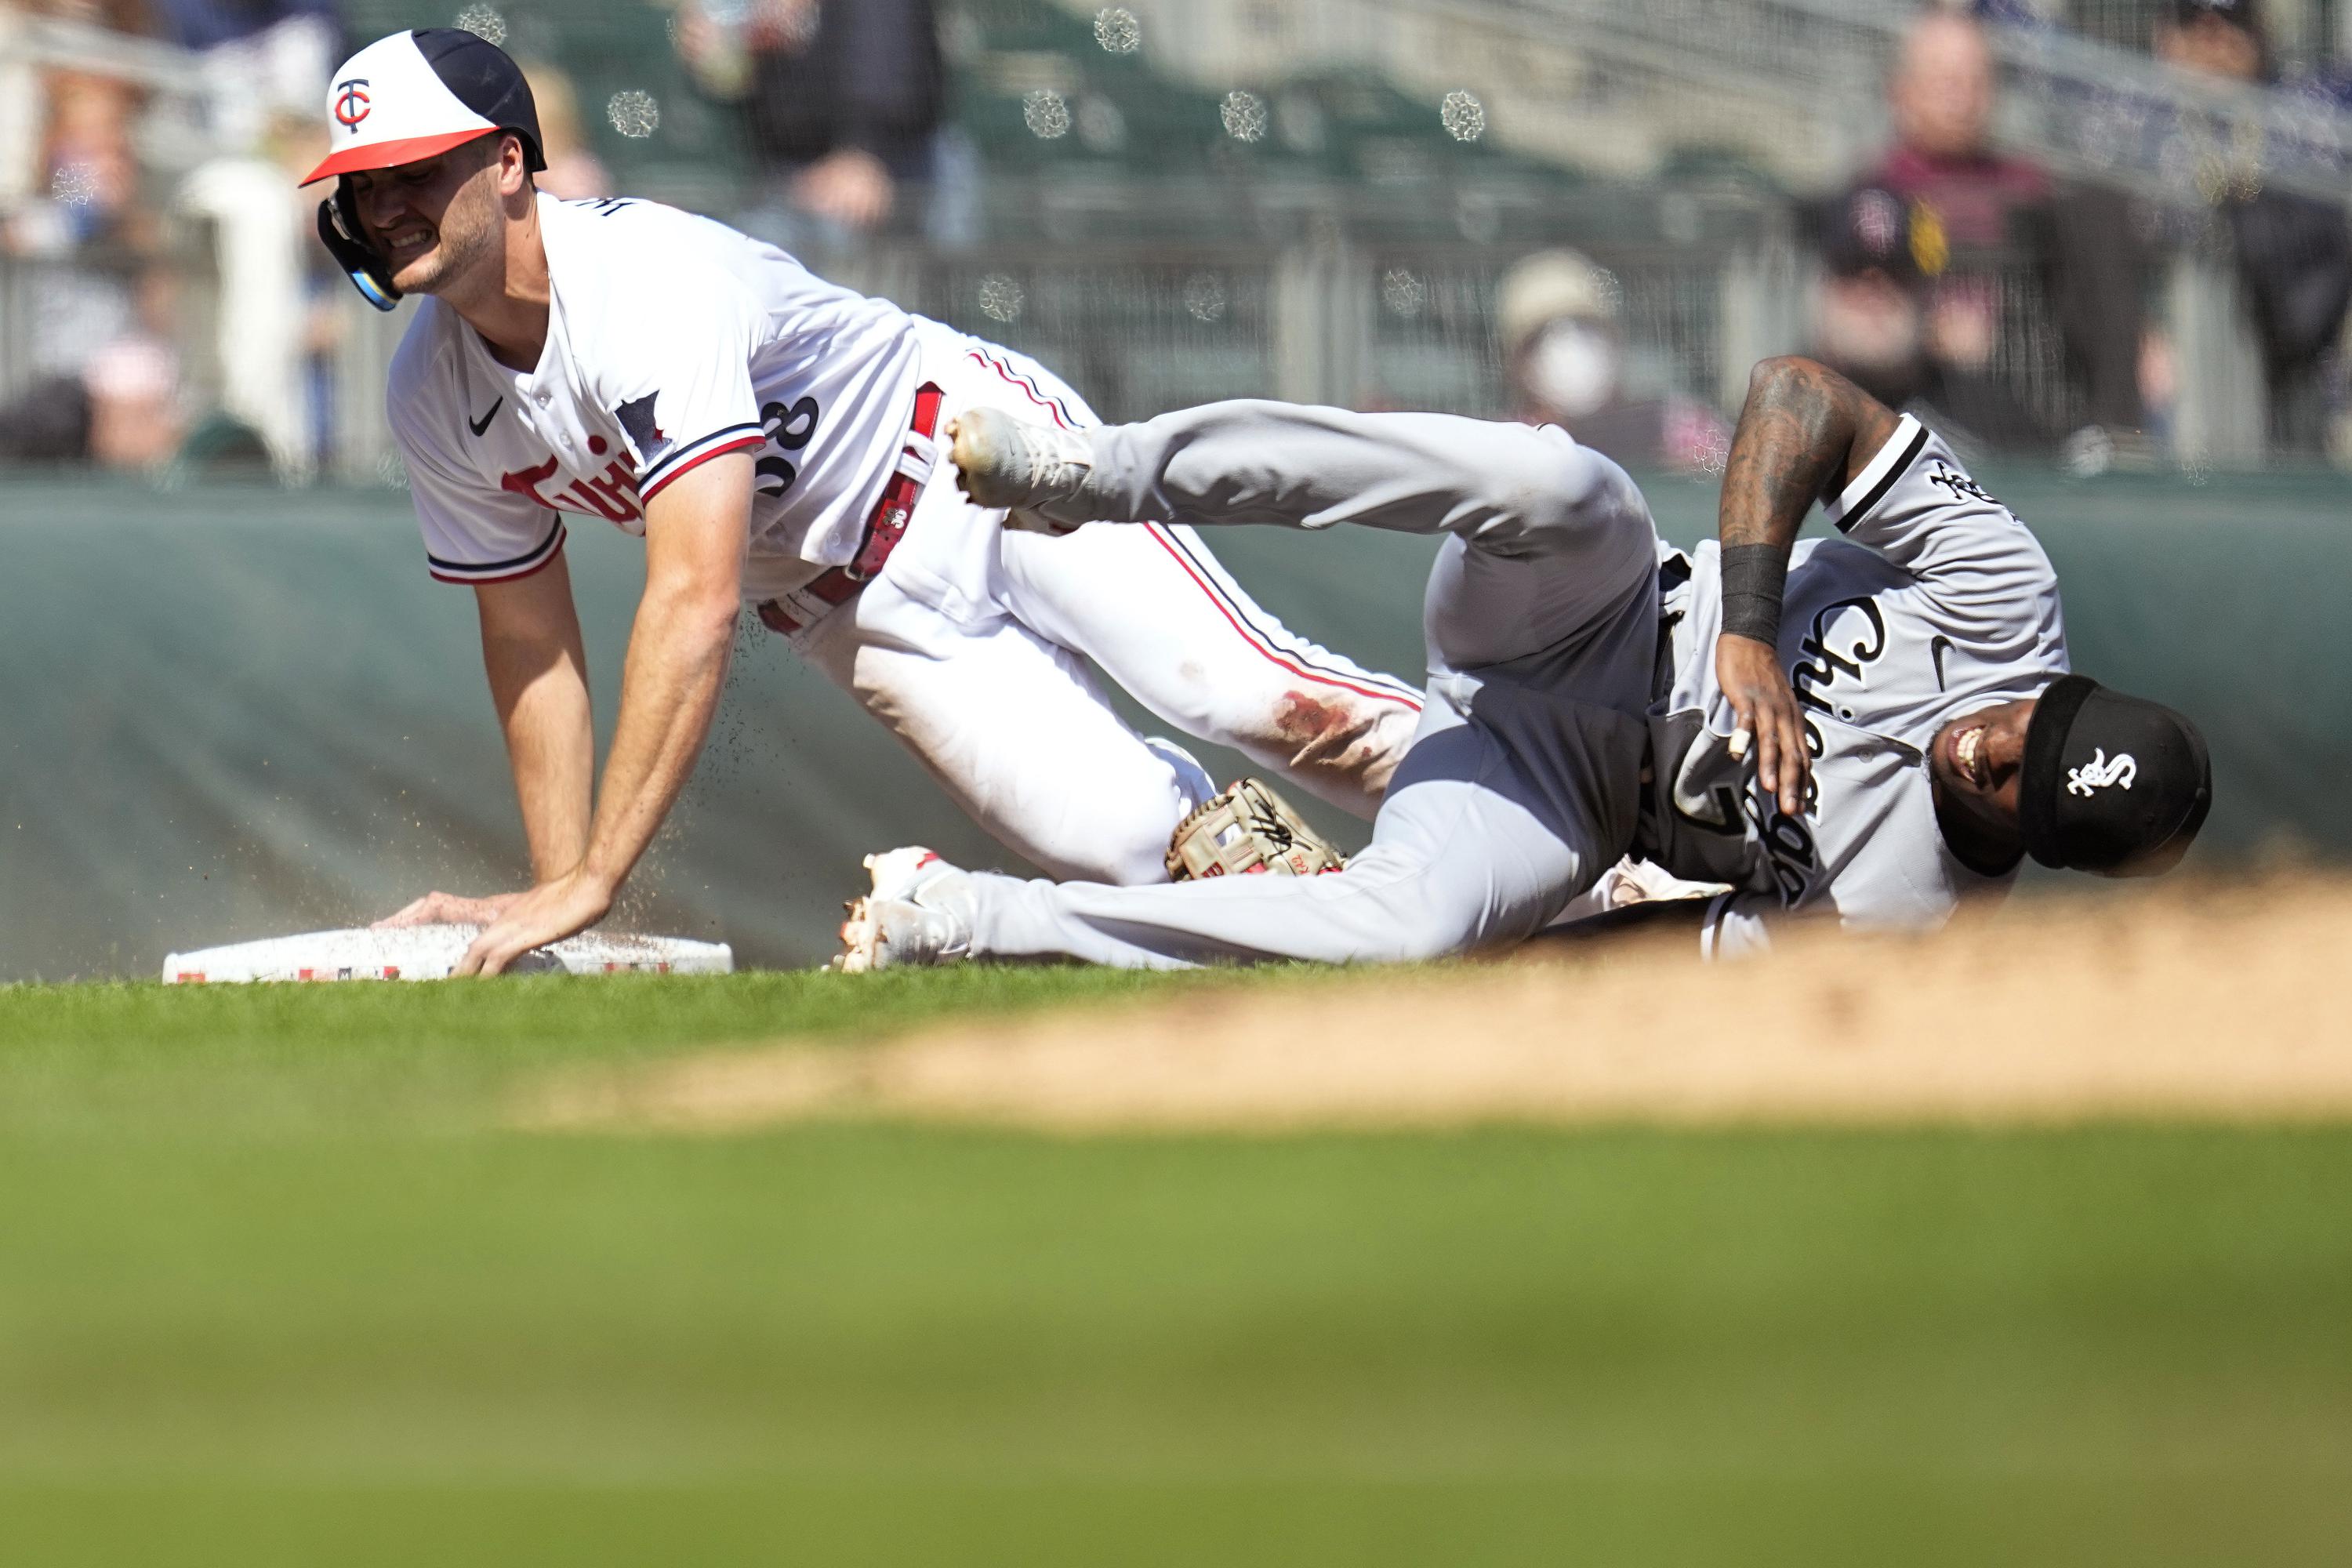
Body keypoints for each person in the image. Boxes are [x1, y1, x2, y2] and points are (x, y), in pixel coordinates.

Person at [299, 29, 1422, 975]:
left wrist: (599, 878)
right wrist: (554, 896)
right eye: (363, 182)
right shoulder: (430, 392)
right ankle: (1441, 942)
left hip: (973, 465)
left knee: (1260, 697)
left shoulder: (637, 286)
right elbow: (530, 641)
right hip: (853, 610)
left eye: (414, 172)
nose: (384, 205)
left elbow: (693, 598)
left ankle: (1571, 827)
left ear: (506, 164)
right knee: (1135, 844)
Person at [833, 358, 2211, 971]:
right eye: (2034, 724)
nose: (1990, 747)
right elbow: (1803, 395)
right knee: (1563, 482)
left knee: (1407, 933)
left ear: (2036, 846)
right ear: (2060, 689)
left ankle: (974, 925)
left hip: (1550, 795)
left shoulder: (1911, 913)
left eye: (2020, 788)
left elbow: (1679, 955)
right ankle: (1107, 469)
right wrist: (1745, 623)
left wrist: (1509, 955)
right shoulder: (2001, 596)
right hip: (1592, 615)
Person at [1840, 7, 2147, 456]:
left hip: (2036, 394)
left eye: (1975, 80)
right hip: (1925, 402)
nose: (1962, 97)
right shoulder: (1874, 195)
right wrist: (1927, 330)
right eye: (1946, 80)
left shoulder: (2030, 187)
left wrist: (2147, 336)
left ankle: (2118, 444)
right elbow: (1850, 324)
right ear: (1900, 91)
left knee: (2100, 206)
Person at [2155, 0, 2352, 456]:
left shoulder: (2302, 113)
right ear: (2166, 37)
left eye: (2230, 28)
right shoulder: (2128, 115)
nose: (2215, 44)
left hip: (2289, 367)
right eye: (2197, 28)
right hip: (2168, 362)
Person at [1496, 249, 1729, 472]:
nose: (1572, 348)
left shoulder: (1677, 430)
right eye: (1544, 336)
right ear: (1518, 362)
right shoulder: (1504, 446)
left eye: (1586, 328)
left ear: (1615, 341)